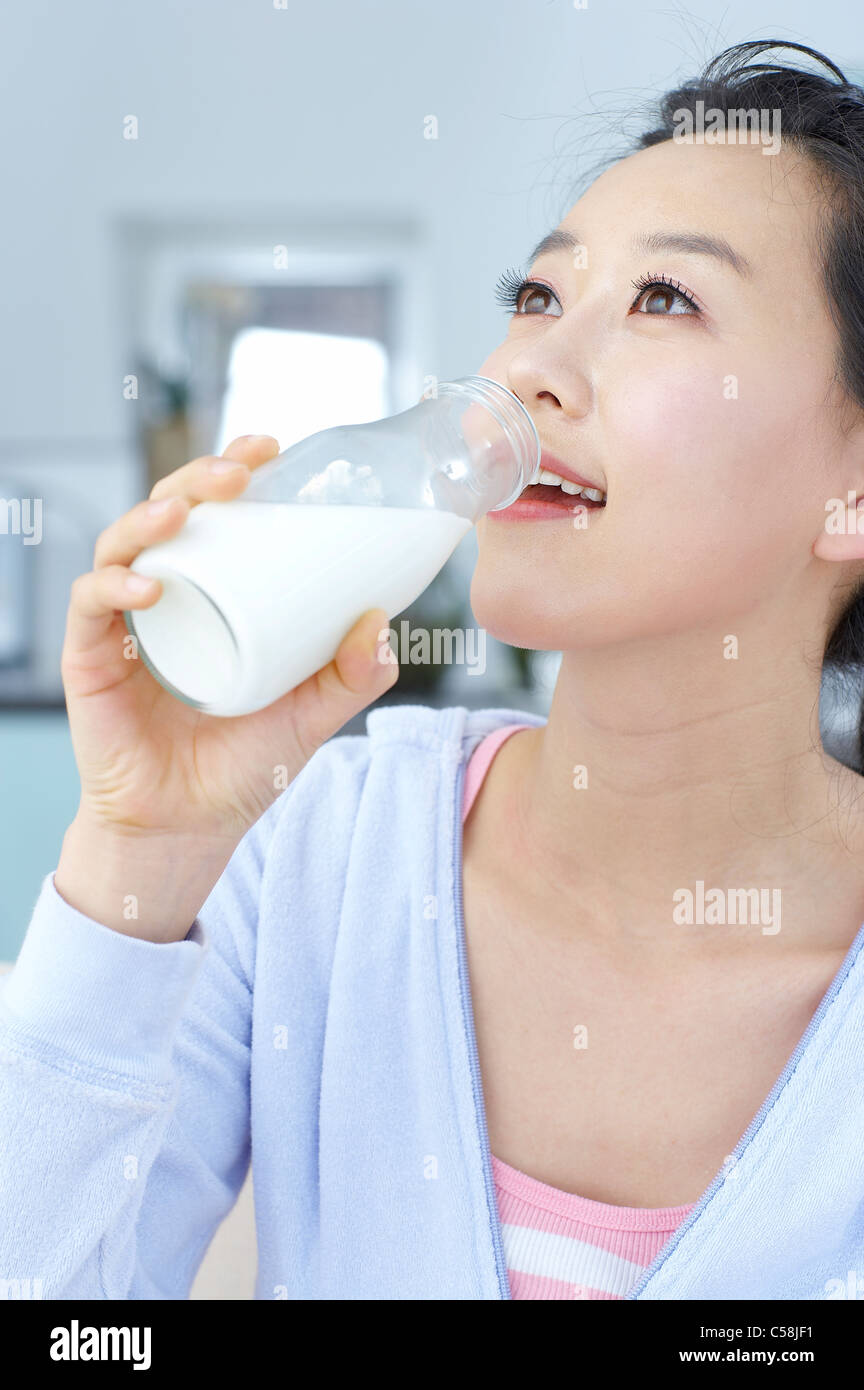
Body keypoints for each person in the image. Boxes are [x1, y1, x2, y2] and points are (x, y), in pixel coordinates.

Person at [2, 37, 864, 1301]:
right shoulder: (317, 859)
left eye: (665, 299)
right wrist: (140, 859)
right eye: (536, 297)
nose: (523, 371)